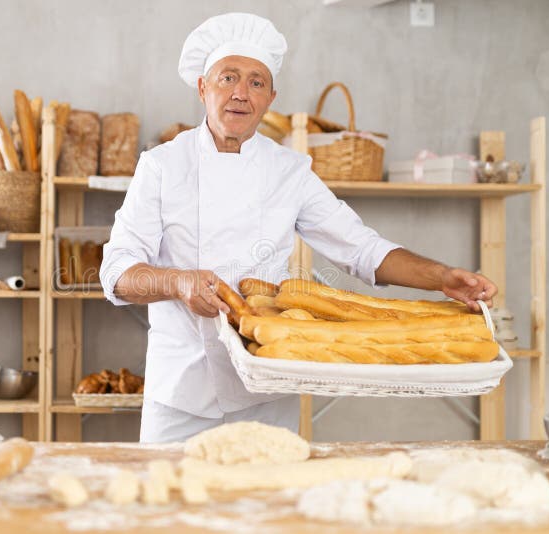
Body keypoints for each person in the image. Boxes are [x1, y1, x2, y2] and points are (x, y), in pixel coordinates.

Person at [99, 12, 497, 444]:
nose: (240, 93)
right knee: (169, 509)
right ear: (202, 87)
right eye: (227, 77)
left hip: (268, 390)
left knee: (271, 508)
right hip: (180, 396)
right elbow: (116, 272)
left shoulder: (290, 170)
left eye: (255, 82)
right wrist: (177, 283)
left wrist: (442, 278)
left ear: (271, 97)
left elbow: (361, 249)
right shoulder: (161, 166)